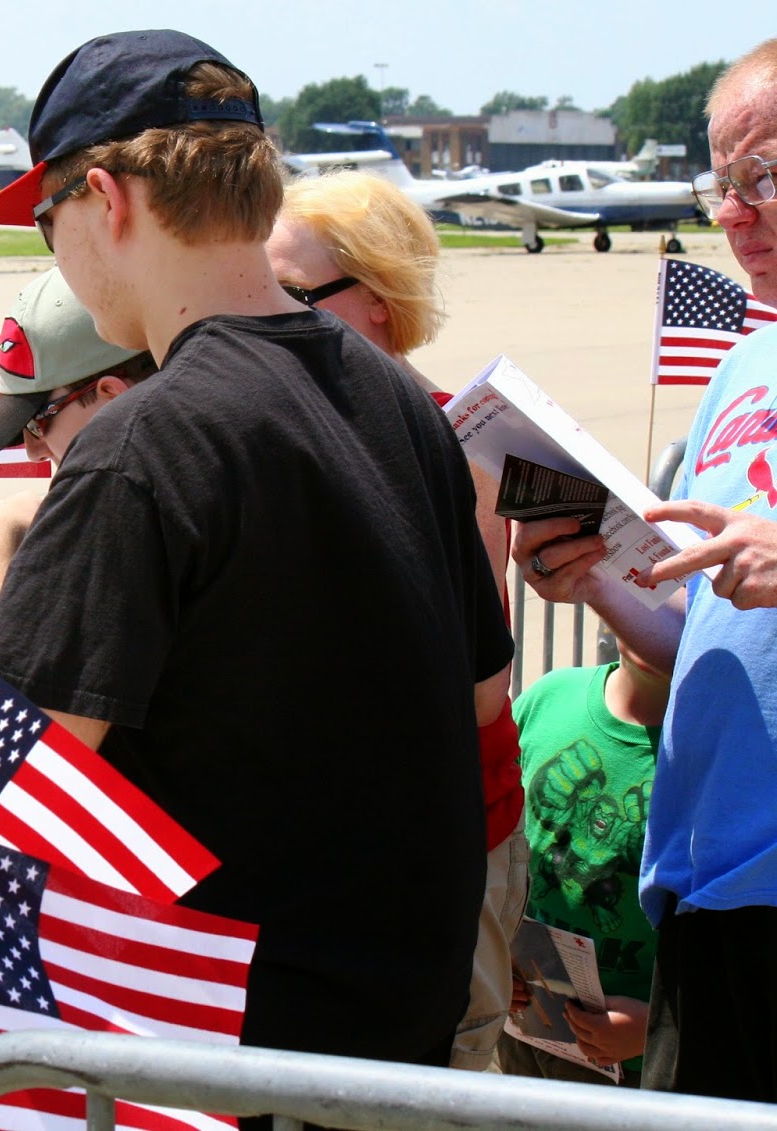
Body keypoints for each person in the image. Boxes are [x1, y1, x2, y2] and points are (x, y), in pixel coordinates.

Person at [0, 30, 513, 1067]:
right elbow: (482, 697)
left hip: (225, 1057)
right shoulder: (398, 397)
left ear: (107, 198)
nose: (54, 254)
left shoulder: (140, 448)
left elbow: (11, 794)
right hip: (400, 1041)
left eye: (48, 222)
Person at [511, 37, 777, 1101]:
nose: (732, 213)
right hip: (710, 883)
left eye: (765, 177)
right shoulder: (744, 362)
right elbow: (708, 640)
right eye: (723, 181)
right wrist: (598, 584)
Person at [266, 170, 529, 1071]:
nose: (266, 314)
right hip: (353, 854)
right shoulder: (291, 423)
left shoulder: (453, 444)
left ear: (377, 300)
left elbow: (474, 693)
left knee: (449, 1075)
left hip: (450, 840)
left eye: (293, 294)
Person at [0, 265, 157, 661]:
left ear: (111, 396)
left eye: (37, 420)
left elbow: (25, 706)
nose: (33, 450)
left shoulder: (136, 522)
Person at [493, 637, 667, 1086]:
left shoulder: (731, 752)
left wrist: (656, 1027)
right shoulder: (550, 698)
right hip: (521, 1033)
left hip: (632, 1068)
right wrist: (498, 958)